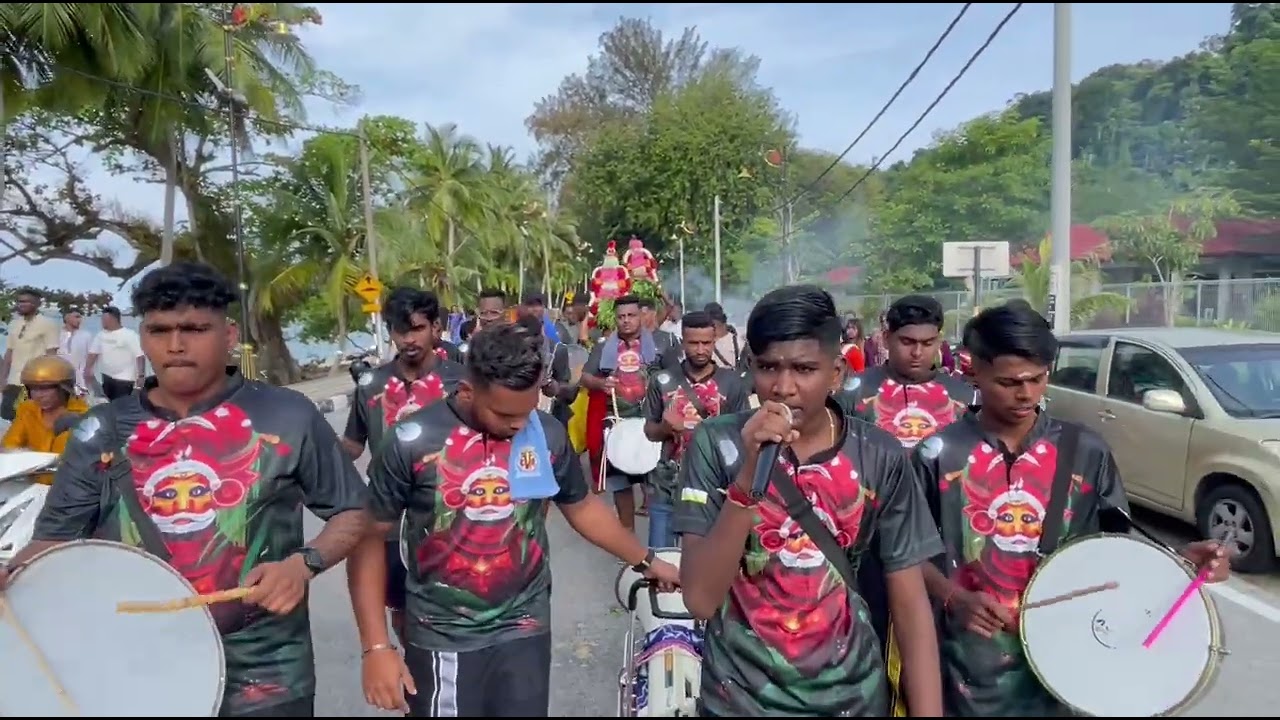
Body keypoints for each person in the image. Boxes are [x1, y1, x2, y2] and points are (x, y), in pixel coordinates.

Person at [2, 262, 371, 717]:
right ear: (144, 338)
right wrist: (13, 570)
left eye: (194, 329)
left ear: (229, 335)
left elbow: (352, 510)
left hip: (268, 677)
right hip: (139, 676)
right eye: (159, 330)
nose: (175, 345)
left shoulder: (287, 416)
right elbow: (54, 540)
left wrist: (305, 564)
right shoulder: (101, 431)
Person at [912, 302, 1230, 717]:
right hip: (963, 670)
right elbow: (906, 555)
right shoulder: (938, 455)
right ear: (973, 370)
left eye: (1038, 379)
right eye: (1009, 382)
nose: (1026, 394)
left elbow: (1116, 552)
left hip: (1067, 663)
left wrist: (1180, 562)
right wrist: (953, 596)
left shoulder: (1084, 452)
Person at [349, 320, 679, 717]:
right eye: (506, 415)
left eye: (527, 412)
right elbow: (368, 540)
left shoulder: (546, 433)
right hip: (442, 635)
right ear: (468, 391)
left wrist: (648, 560)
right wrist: (377, 647)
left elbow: (583, 507)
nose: (520, 426)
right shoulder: (411, 441)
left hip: (525, 627)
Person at [673, 284, 944, 717]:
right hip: (738, 703)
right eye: (767, 367)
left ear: (836, 373)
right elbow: (701, 599)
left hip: (851, 700)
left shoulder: (879, 454)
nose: (783, 387)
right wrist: (748, 473)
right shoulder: (717, 443)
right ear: (749, 367)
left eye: (803, 369)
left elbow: (910, 604)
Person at [841, 294, 975, 714]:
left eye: (927, 342)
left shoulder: (965, 398)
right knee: (870, 636)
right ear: (886, 338)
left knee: (935, 640)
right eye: (906, 341)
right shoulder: (856, 394)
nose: (917, 352)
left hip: (941, 545)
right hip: (869, 544)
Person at [343, 287, 464, 640]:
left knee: (450, 600)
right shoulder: (371, 385)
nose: (408, 339)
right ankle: (414, 665)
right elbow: (353, 444)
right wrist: (310, 460)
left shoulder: (462, 381)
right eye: (399, 330)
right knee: (399, 605)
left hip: (446, 511)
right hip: (388, 518)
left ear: (436, 328)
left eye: (417, 328)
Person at [641, 310, 751, 548]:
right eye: (693, 343)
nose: (701, 350)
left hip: (715, 488)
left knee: (707, 565)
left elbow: (742, 435)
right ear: (682, 341)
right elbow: (649, 431)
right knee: (662, 560)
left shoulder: (731, 383)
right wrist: (665, 428)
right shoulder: (662, 380)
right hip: (667, 486)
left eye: (706, 343)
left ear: (714, 341)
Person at [580, 294, 658, 531]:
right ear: (615, 318)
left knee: (655, 483)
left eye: (631, 315)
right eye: (621, 316)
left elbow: (675, 377)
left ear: (641, 316)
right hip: (617, 425)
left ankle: (660, 541)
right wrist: (600, 384)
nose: (626, 321)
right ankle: (628, 539)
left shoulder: (663, 345)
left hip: (652, 426)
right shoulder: (604, 347)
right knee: (621, 486)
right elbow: (584, 377)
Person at [2, 356, 90, 482]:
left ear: (64, 388)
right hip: (34, 486)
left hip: (70, 489)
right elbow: (9, 447)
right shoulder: (27, 410)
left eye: (45, 388)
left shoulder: (85, 416)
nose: (38, 395)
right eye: (33, 389)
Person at [1, 288, 60, 420]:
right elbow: (9, 352)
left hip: (34, 382)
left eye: (26, 301)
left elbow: (52, 355)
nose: (21, 304)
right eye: (19, 301)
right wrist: (2, 379)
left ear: (37, 304)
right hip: (13, 380)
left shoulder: (48, 324)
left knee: (31, 418)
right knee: (8, 414)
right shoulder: (14, 324)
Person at [84, 306, 146, 399]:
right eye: (102, 319)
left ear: (114, 319)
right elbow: (93, 353)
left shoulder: (130, 335)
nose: (102, 322)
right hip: (106, 377)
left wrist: (141, 375)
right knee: (108, 406)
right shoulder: (100, 335)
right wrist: (88, 369)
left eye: (104, 319)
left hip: (125, 379)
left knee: (121, 407)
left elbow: (140, 356)